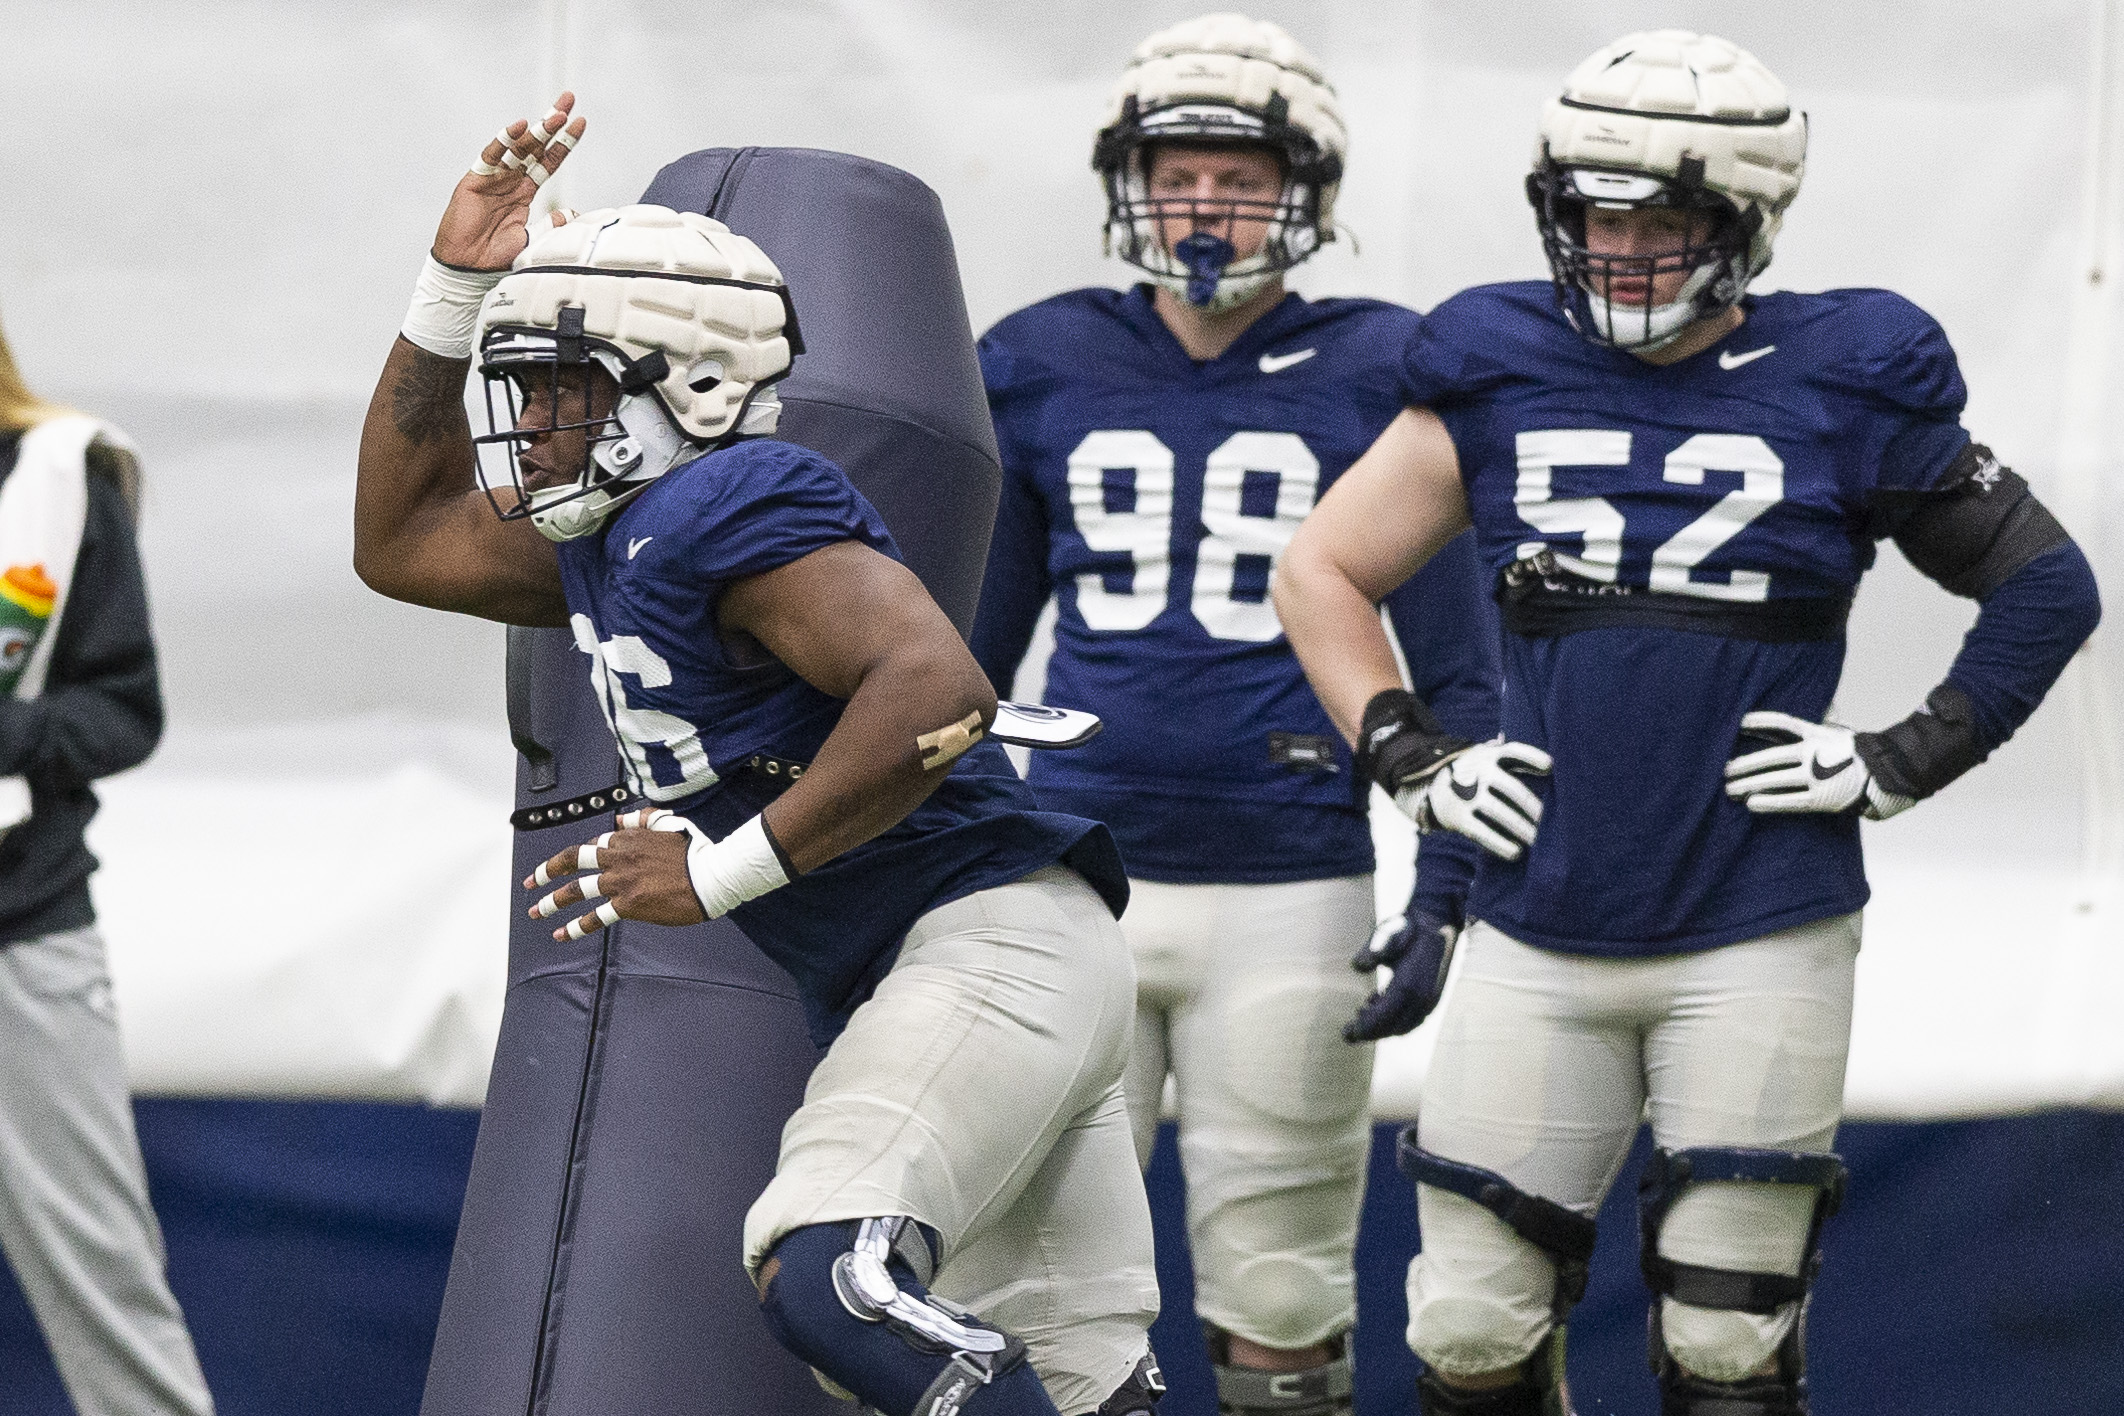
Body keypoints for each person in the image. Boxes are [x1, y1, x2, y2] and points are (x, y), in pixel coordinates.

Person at [1270, 30, 2102, 1416]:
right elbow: (1324, 570)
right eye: (1598, 212)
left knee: (1727, 1336)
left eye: (1663, 217)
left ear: (1747, 219)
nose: (1623, 246)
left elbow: (2046, 585)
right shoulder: (1496, 354)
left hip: (1758, 925)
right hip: (1539, 926)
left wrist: (1906, 756)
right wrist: (1407, 757)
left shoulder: (1850, 366)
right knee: (1471, 1329)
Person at [352, 96, 1164, 1416]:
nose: (531, 423)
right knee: (1088, 1386)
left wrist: (717, 877)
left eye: (564, 387)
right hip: (977, 960)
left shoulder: (734, 494)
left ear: (698, 384)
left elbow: (939, 692)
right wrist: (452, 294)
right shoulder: (617, 536)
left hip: (985, 948)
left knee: (825, 1285)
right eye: (527, 387)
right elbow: (400, 543)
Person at [971, 15, 1499, 1414]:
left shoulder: (1392, 364)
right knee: (1027, 1281)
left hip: (1292, 882)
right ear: (1126, 178)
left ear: (1308, 191)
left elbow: (1457, 663)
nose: (1204, 203)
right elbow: (963, 658)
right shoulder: (1036, 357)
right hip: (1070, 877)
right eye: (1176, 169)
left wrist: (1446, 875)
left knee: (1280, 1284)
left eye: (1239, 174)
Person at [0, 315, 215, 1415]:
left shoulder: (56, 473)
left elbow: (124, 712)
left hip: (22, 926)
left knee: (102, 1272)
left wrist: (9, 737)